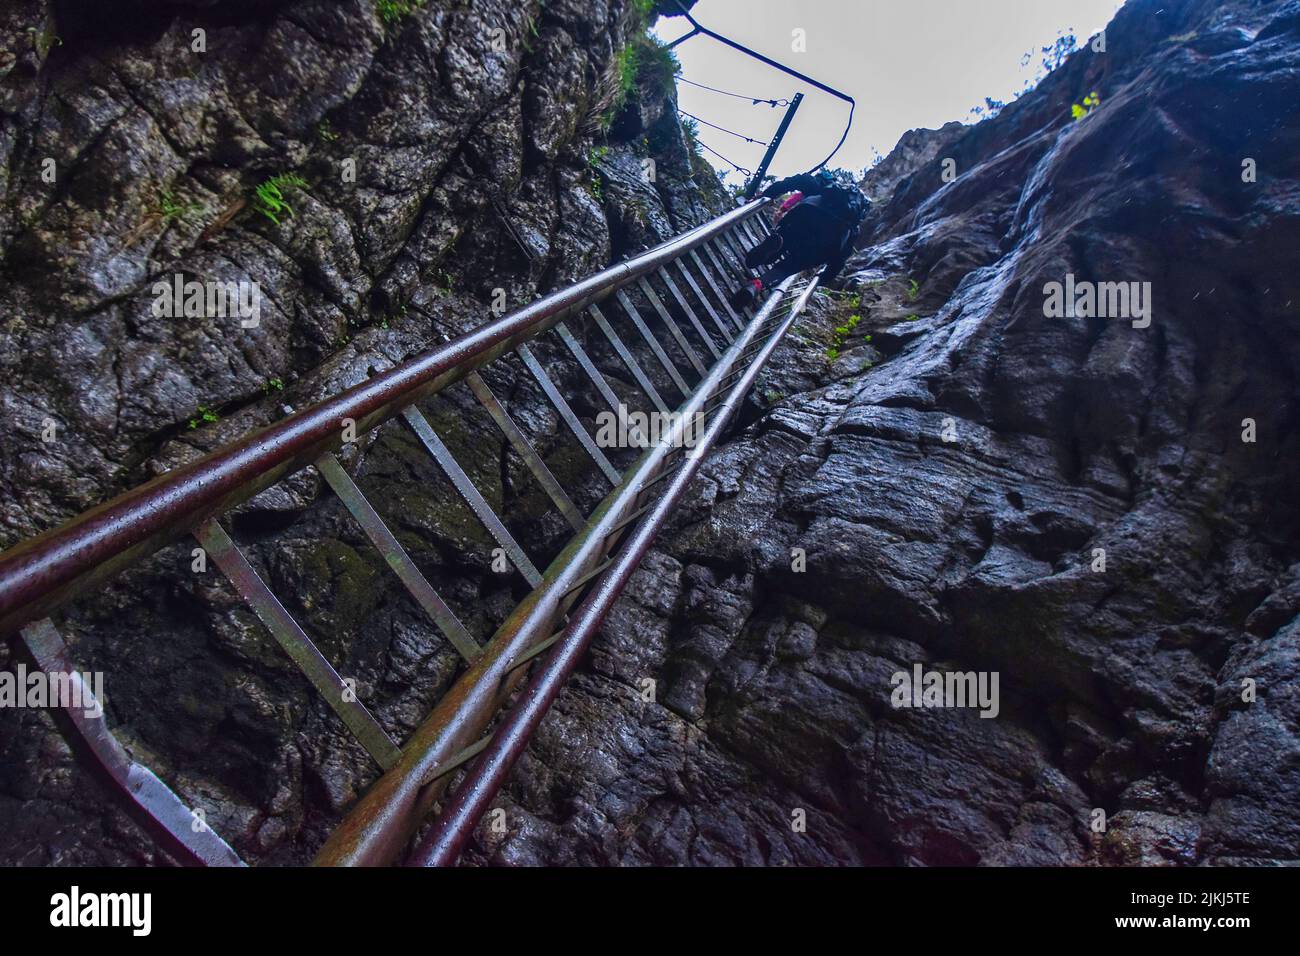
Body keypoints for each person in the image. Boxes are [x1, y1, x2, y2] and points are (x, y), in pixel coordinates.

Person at [729, 169, 869, 309]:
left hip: (805, 215)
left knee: (783, 240)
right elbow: (839, 261)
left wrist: (768, 194)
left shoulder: (826, 189)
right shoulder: (852, 226)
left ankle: (772, 248)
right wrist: (821, 279)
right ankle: (756, 285)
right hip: (826, 242)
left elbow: (796, 181)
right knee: (790, 266)